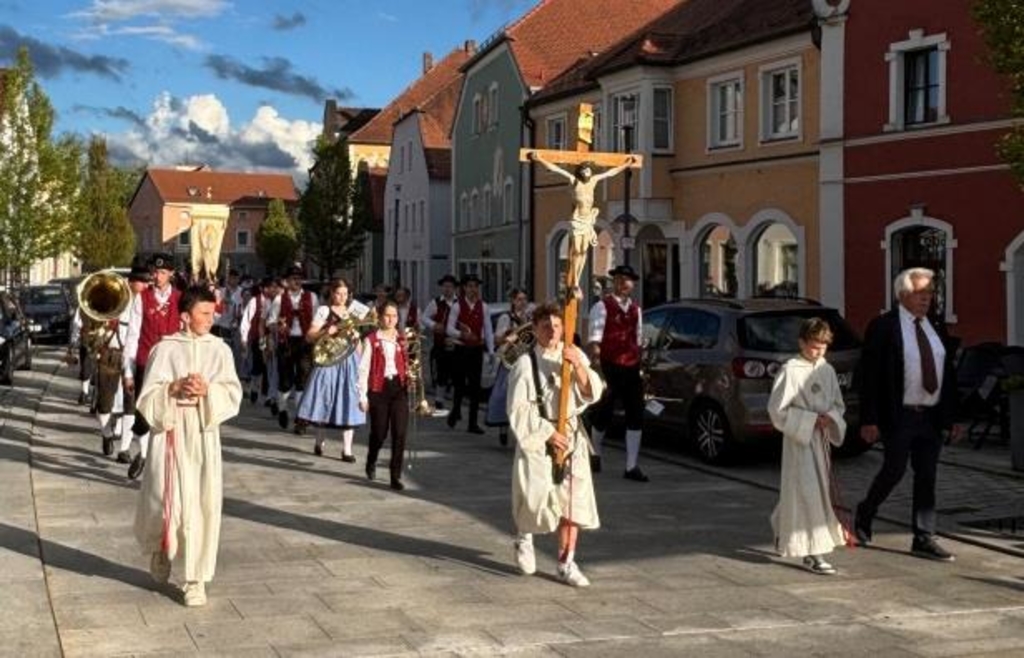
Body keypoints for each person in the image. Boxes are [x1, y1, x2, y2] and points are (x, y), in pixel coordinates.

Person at [133, 285, 242, 607]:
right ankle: (160, 547)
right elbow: (146, 398)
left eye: (212, 313)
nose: (210, 318)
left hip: (203, 434)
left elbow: (232, 393)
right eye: (203, 313)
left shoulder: (220, 350)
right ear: (185, 316)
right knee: (165, 501)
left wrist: (208, 391)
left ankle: (196, 579)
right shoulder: (165, 349)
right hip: (170, 432)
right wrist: (173, 388)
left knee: (201, 504)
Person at [853, 267, 963, 561]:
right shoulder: (884, 326)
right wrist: (869, 419)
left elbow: (947, 374)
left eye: (930, 293)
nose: (927, 298)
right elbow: (870, 376)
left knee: (927, 474)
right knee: (894, 469)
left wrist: (953, 417)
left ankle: (924, 537)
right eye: (920, 293)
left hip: (930, 416)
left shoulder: (935, 325)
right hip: (899, 414)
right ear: (902, 295)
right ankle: (866, 510)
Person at [507, 302, 603, 587]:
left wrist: (578, 367)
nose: (552, 331)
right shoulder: (525, 364)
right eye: (545, 326)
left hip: (572, 437)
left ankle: (566, 562)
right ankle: (524, 536)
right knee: (535, 499)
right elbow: (518, 410)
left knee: (573, 504)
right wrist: (548, 433)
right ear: (535, 330)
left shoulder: (573, 354)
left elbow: (592, 392)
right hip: (539, 438)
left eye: (557, 326)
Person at [767, 318, 847, 575]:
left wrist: (829, 418)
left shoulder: (827, 370)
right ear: (801, 343)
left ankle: (781, 525)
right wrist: (810, 420)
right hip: (799, 440)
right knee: (807, 491)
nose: (818, 352)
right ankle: (814, 552)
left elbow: (838, 405)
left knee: (808, 490)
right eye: (813, 346)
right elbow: (777, 410)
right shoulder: (790, 370)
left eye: (823, 347)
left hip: (820, 441)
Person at [530, 152, 635, 294]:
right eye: (585, 171)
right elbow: (557, 169)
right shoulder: (575, 181)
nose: (588, 173)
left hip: (587, 221)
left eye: (589, 171)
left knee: (584, 252)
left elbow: (610, 173)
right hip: (577, 220)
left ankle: (576, 281)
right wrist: (540, 158)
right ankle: (574, 280)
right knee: (576, 250)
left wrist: (626, 165)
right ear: (580, 172)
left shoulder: (593, 181)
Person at [297, 278, 370, 461]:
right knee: (325, 397)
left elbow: (359, 342)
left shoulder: (354, 312)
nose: (342, 297)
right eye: (338, 293)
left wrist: (359, 350)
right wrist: (325, 331)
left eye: (345, 293)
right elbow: (309, 336)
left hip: (349, 360)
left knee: (349, 399)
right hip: (329, 359)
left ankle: (347, 450)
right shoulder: (324, 311)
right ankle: (319, 441)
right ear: (331, 293)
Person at [123, 253, 182, 480]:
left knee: (168, 412)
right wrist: (128, 371)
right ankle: (145, 454)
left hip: (171, 365)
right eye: (155, 272)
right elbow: (132, 335)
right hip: (145, 362)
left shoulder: (180, 298)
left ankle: (161, 458)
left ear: (171, 274)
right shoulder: (142, 298)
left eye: (163, 272)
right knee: (143, 412)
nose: (157, 276)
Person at [587, 265, 647, 481]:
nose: (623, 283)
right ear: (614, 282)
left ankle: (631, 466)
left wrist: (641, 364)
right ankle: (595, 453)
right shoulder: (602, 307)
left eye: (627, 280)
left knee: (636, 413)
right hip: (609, 366)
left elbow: (638, 340)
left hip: (631, 366)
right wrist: (599, 371)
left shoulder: (636, 310)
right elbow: (594, 342)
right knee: (604, 413)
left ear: (633, 284)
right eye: (620, 279)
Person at [359, 301, 410, 491]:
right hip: (378, 389)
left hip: (398, 388)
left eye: (394, 316)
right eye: (387, 315)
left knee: (400, 432)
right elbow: (363, 369)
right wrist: (362, 396)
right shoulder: (371, 339)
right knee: (379, 433)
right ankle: (371, 459)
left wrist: (411, 376)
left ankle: (395, 475)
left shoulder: (402, 339)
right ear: (380, 318)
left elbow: (408, 364)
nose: (391, 319)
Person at [267, 264, 318, 430]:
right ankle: (282, 409)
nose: (296, 281)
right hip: (286, 342)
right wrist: (278, 327)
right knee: (285, 380)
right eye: (293, 279)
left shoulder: (312, 297)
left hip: (305, 342)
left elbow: (318, 321)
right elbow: (270, 322)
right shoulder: (279, 299)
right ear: (287, 281)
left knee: (303, 379)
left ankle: (300, 418)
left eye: (299, 278)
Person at [445, 273, 494, 434]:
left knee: (475, 387)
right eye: (470, 286)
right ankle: (455, 411)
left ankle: (472, 423)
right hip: (461, 349)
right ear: (464, 288)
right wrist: (461, 334)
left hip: (476, 350)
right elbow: (449, 329)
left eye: (476, 286)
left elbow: (488, 330)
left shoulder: (483, 307)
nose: (474, 290)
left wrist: (491, 351)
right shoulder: (457, 306)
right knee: (459, 385)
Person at [486, 288, 533, 446]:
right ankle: (503, 428)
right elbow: (498, 340)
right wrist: (510, 335)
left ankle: (521, 430)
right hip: (509, 360)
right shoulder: (506, 317)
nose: (522, 302)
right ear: (513, 301)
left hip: (525, 361)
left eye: (524, 299)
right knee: (505, 394)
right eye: (519, 299)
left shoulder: (529, 318)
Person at [421, 275, 458, 410]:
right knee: (441, 371)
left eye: (450, 287)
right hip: (441, 342)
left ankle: (455, 399)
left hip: (457, 343)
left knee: (456, 372)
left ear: (454, 288)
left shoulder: (459, 303)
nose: (447, 289)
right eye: (445, 286)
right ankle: (439, 399)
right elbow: (424, 318)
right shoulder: (436, 302)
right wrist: (434, 325)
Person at [238, 277, 271, 405]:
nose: (270, 290)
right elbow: (246, 320)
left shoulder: (276, 301)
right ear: (262, 289)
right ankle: (254, 388)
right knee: (258, 364)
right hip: (258, 338)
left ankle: (268, 395)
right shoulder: (254, 301)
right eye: (268, 287)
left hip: (272, 339)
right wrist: (244, 338)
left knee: (270, 366)